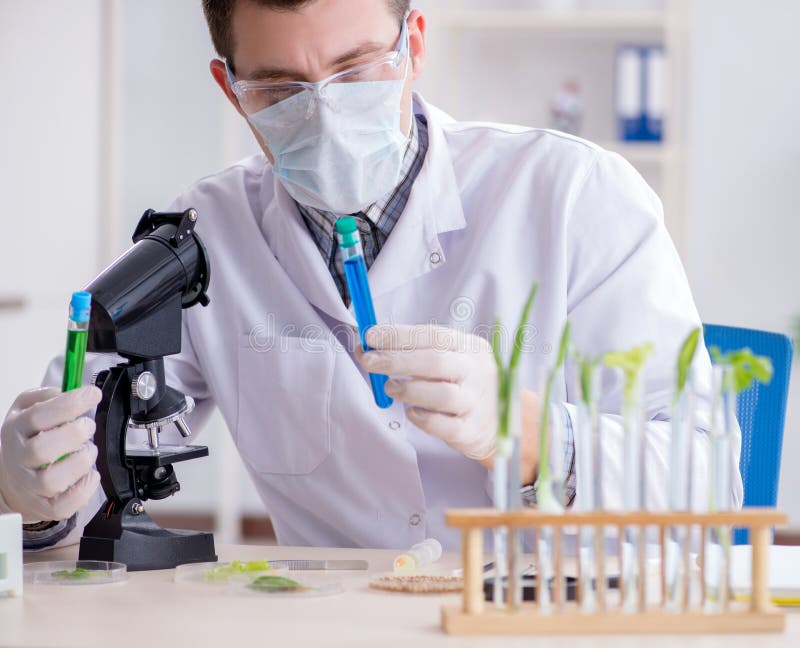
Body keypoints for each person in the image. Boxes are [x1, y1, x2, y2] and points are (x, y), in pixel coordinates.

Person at [0, 0, 741, 551]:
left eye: (354, 71)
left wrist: (528, 432)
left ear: (413, 44)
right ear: (232, 90)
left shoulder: (575, 196)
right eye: (282, 90)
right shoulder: (205, 235)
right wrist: (29, 491)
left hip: (544, 619)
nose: (325, 118)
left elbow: (708, 491)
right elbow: (84, 472)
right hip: (333, 624)